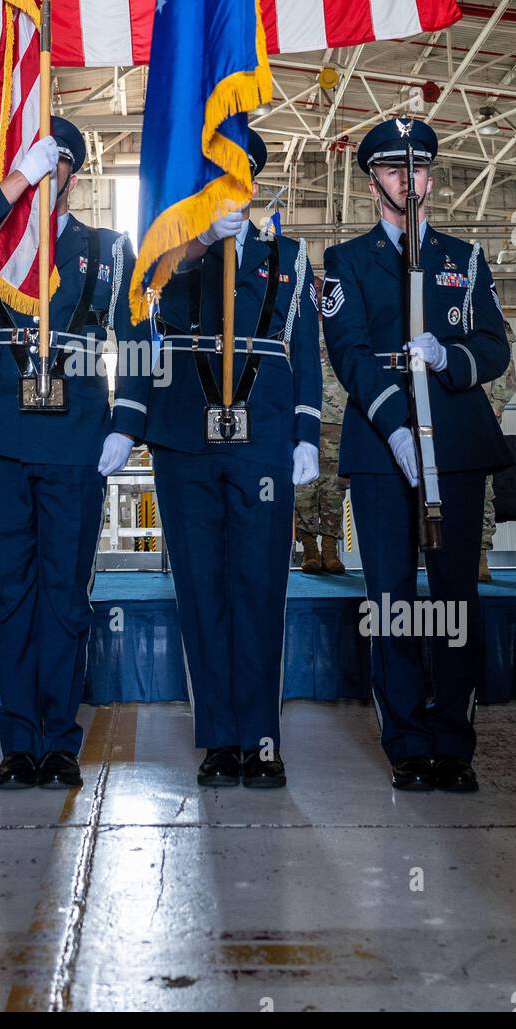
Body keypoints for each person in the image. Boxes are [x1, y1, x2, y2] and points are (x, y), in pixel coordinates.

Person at [0, 118, 152, 792]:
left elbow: (139, 338)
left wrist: (127, 422)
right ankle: (15, 741)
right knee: (10, 589)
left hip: (77, 434)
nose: (49, 168)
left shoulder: (109, 248)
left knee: (64, 591)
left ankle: (57, 740)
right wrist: (13, 182)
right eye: (40, 158)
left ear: (76, 172)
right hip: (4, 428)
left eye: (59, 160)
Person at [322, 117, 511, 795]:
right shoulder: (345, 261)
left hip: (456, 446)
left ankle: (453, 742)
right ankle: (405, 740)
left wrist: (448, 357)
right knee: (391, 598)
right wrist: (398, 429)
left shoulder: (465, 258)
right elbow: (347, 353)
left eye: (420, 168)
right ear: (373, 180)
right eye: (396, 169)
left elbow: (494, 346)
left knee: (455, 595)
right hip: (381, 449)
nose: (410, 180)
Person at [145, 130, 322, 790]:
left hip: (264, 438)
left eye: (237, 171)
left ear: (250, 181)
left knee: (258, 588)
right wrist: (196, 242)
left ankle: (261, 738)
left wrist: (306, 433)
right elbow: (146, 311)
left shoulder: (291, 256)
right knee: (199, 589)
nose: (227, 181)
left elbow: (303, 348)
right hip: (183, 437)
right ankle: (219, 739)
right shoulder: (168, 251)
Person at [296, 313, 348, 575]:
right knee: (304, 489)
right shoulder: (297, 327)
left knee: (334, 489)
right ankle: (309, 549)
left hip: (337, 421)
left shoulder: (342, 326)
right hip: (306, 419)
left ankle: (329, 548)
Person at [479, 320, 516, 581]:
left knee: (483, 488)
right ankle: (448, 555)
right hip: (445, 415)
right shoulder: (439, 313)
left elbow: (507, 372)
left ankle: (480, 554)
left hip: (484, 418)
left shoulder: (493, 320)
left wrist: (495, 407)